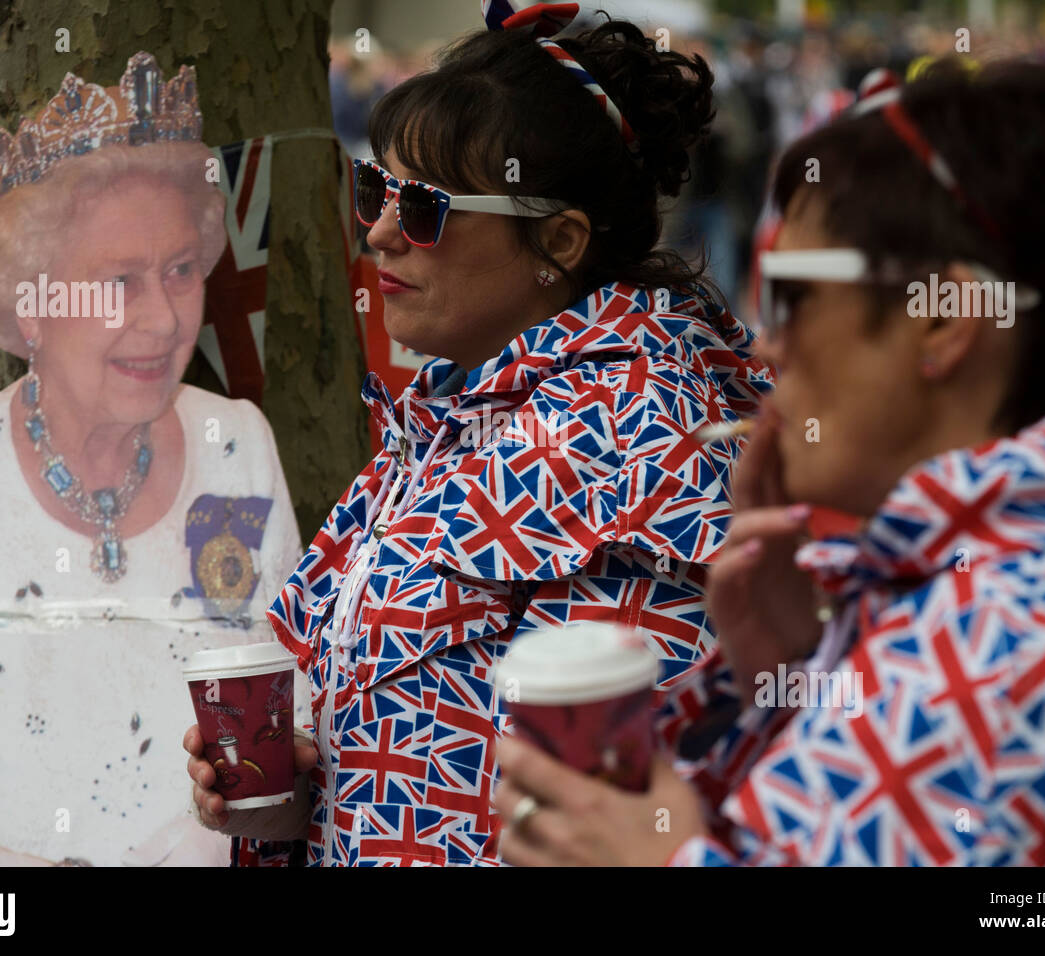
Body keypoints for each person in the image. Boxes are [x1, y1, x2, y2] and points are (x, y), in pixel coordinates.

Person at [493, 61, 1045, 866]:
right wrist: (800, 674)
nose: (767, 342)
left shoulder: (1008, 632)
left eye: (790, 294)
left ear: (945, 319)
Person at [186, 3, 772, 866]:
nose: (379, 230)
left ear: (558, 242)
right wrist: (296, 803)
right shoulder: (450, 411)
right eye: (373, 189)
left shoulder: (638, 437)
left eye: (424, 208)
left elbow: (618, 809)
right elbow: (433, 763)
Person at [0, 53, 302, 866]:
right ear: (31, 301)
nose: (165, 321)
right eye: (116, 284)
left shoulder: (234, 447)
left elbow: (290, 725)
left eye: (178, 272)